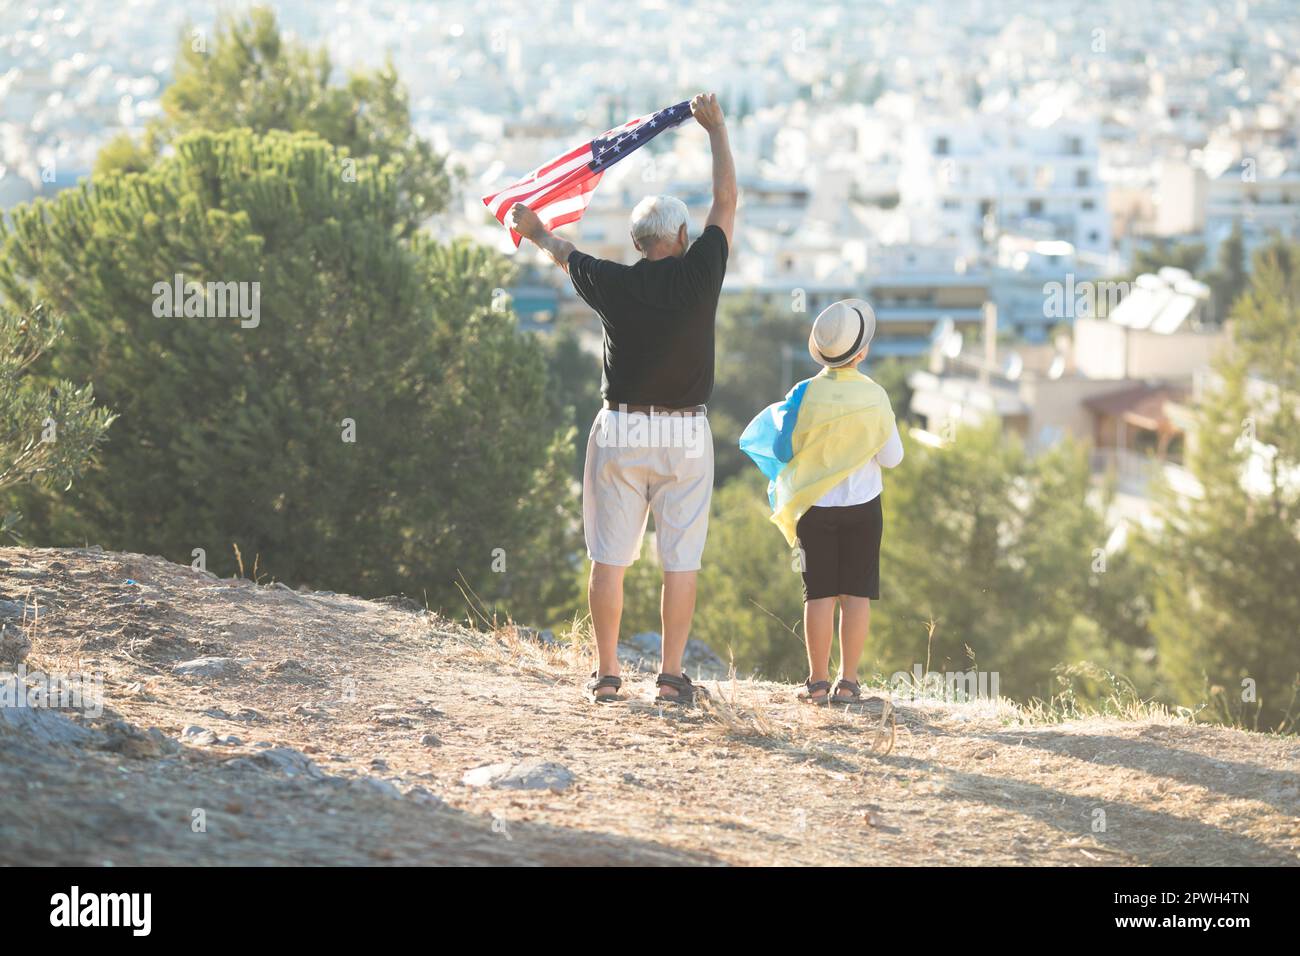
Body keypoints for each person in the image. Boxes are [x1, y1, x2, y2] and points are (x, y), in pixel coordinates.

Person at [507, 92, 737, 704]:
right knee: (679, 561)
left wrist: (531, 229)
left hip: (622, 430)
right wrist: (715, 130)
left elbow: (564, 255)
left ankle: (607, 675)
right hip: (686, 434)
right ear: (682, 238)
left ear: (638, 244)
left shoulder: (613, 283)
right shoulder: (703, 271)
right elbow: (727, 200)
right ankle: (669, 676)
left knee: (608, 558)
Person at [739, 299, 903, 703]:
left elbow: (782, 446)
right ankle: (848, 682)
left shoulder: (803, 393)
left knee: (819, 594)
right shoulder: (876, 397)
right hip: (864, 508)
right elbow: (893, 457)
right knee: (856, 595)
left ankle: (815, 682)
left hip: (814, 509)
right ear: (861, 353)